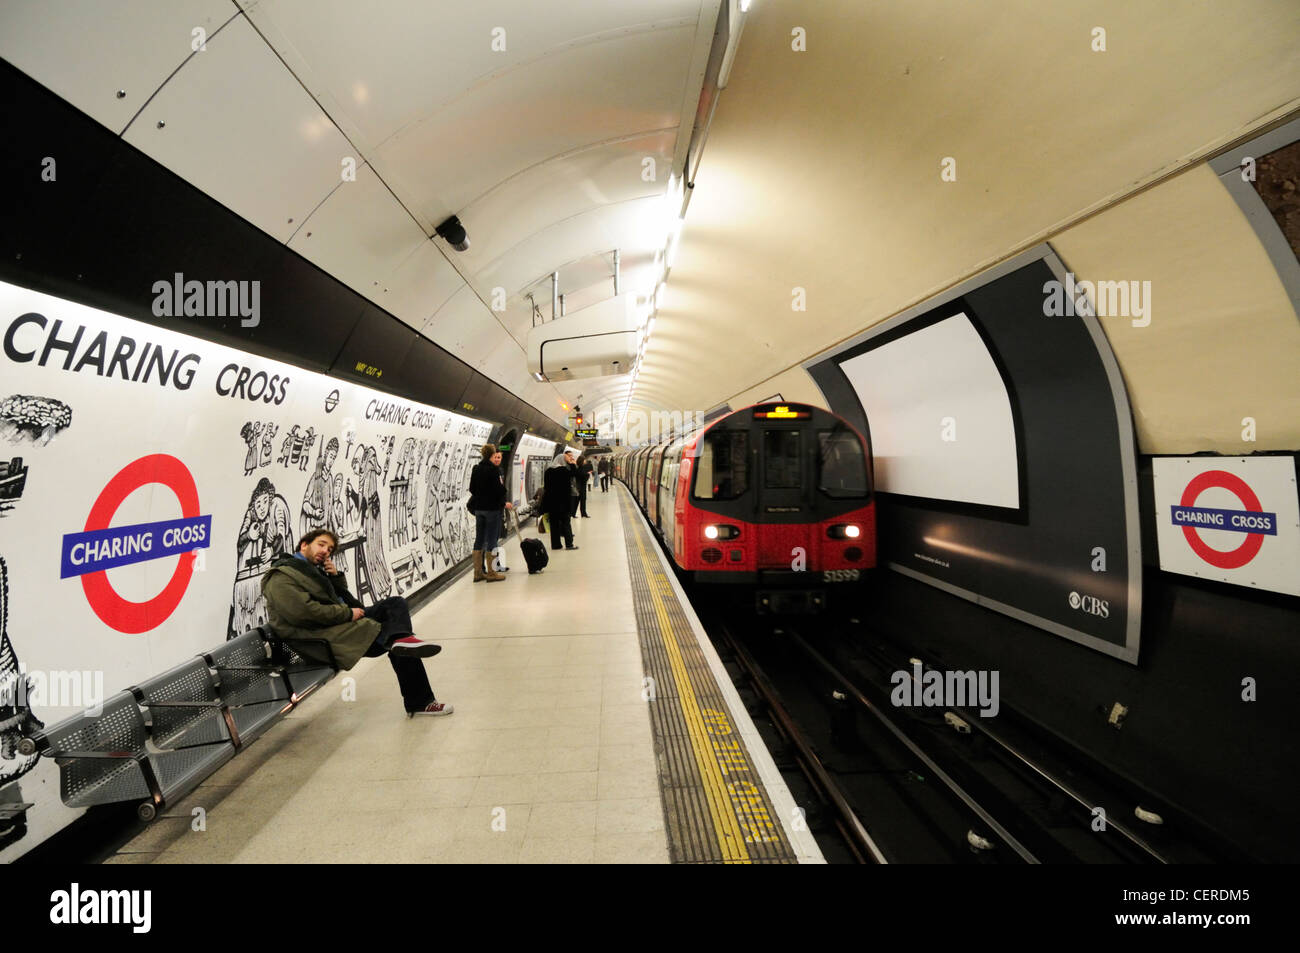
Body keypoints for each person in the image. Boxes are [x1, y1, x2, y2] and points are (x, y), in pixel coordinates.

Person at [262, 529, 452, 717]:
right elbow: (303, 613)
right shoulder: (281, 576)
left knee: (395, 606)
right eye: (321, 544)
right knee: (394, 637)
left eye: (329, 550)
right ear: (304, 544)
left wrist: (335, 578)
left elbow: (348, 603)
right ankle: (420, 701)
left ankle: (403, 644)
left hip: (333, 626)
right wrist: (346, 614)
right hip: (316, 640)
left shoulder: (311, 572)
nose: (325, 551)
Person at [468, 443, 513, 582]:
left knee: (479, 540)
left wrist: (481, 496)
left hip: (479, 509)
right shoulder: (493, 470)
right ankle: (492, 572)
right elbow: (499, 490)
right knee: (492, 540)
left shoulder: (476, 468)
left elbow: (472, 489)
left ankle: (478, 573)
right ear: (492, 454)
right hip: (492, 509)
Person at [543, 452, 579, 550]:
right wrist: (572, 463)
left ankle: (556, 545)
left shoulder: (548, 471)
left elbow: (546, 487)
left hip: (552, 502)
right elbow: (575, 474)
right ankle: (569, 544)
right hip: (563, 502)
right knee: (566, 523)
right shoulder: (564, 470)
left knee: (554, 524)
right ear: (563, 461)